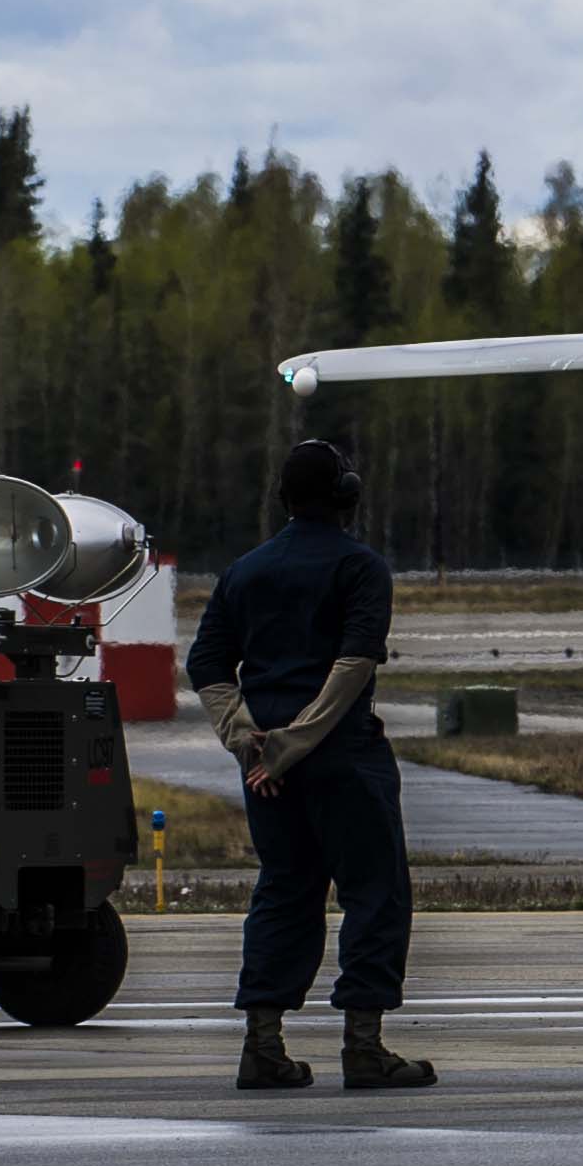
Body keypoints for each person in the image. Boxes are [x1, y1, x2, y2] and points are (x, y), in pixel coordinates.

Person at [185, 438, 435, 1091]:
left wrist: (252, 744)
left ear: (285, 499)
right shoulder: (361, 568)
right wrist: (295, 744)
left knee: (284, 895)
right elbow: (352, 667)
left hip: (269, 768)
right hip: (342, 757)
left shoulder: (245, 571)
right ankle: (364, 1047)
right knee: (375, 894)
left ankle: (262, 1047)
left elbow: (207, 665)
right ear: (348, 497)